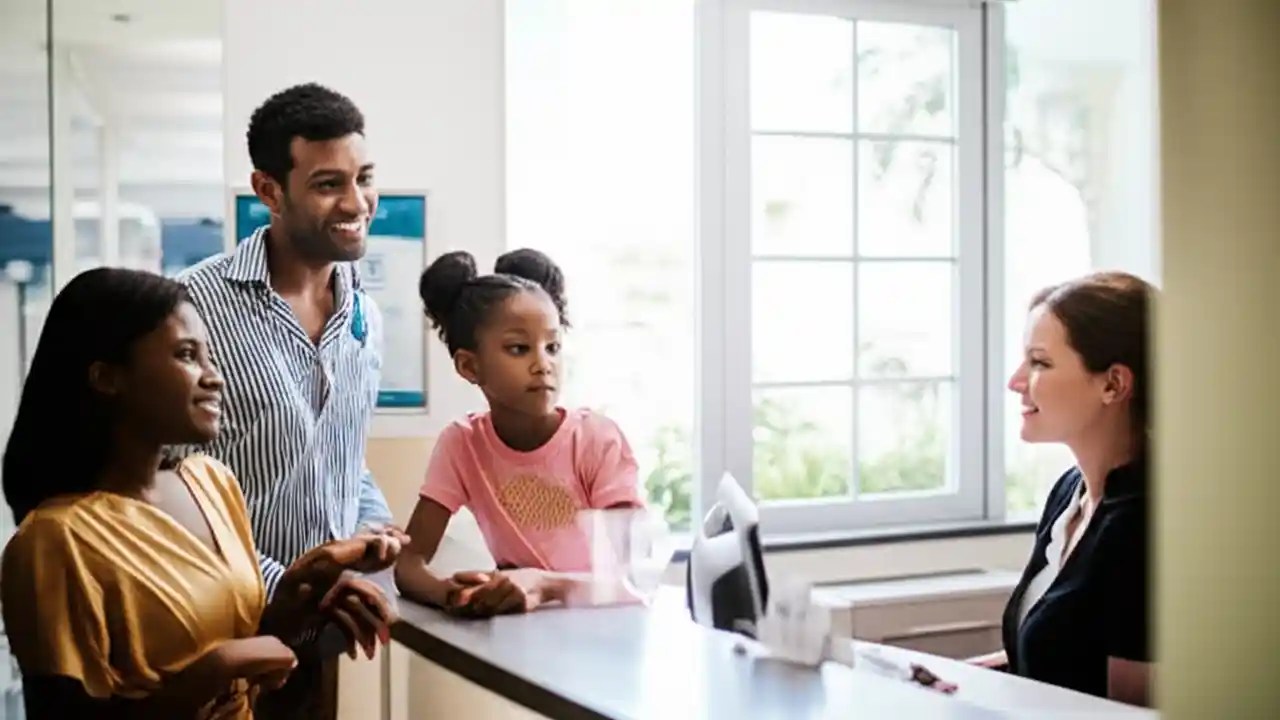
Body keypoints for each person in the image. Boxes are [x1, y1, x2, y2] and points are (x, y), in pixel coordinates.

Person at [1, 268, 401, 719]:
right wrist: (214, 669)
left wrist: (297, 600)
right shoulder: (54, 541)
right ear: (107, 377)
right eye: (187, 355)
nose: (214, 377)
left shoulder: (211, 483)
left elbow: (239, 640)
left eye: (210, 356)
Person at [177, 84, 399, 717]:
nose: (357, 203)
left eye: (365, 178)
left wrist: (373, 541)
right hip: (218, 634)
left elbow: (345, 458)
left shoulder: (365, 313)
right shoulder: (192, 308)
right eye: (329, 183)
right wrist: (292, 584)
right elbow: (164, 490)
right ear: (269, 191)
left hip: (318, 636)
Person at [394, 249, 645, 617]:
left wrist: (544, 585)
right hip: (527, 641)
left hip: (609, 636)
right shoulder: (462, 444)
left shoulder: (597, 440)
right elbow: (409, 562)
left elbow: (629, 580)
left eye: (553, 347)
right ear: (469, 365)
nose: (543, 364)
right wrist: (452, 594)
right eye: (519, 348)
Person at [968, 271, 1154, 706]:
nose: (1016, 381)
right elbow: (1057, 659)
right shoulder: (1069, 493)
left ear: (1114, 384)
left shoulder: (1142, 526)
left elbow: (1129, 710)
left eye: (1039, 362)